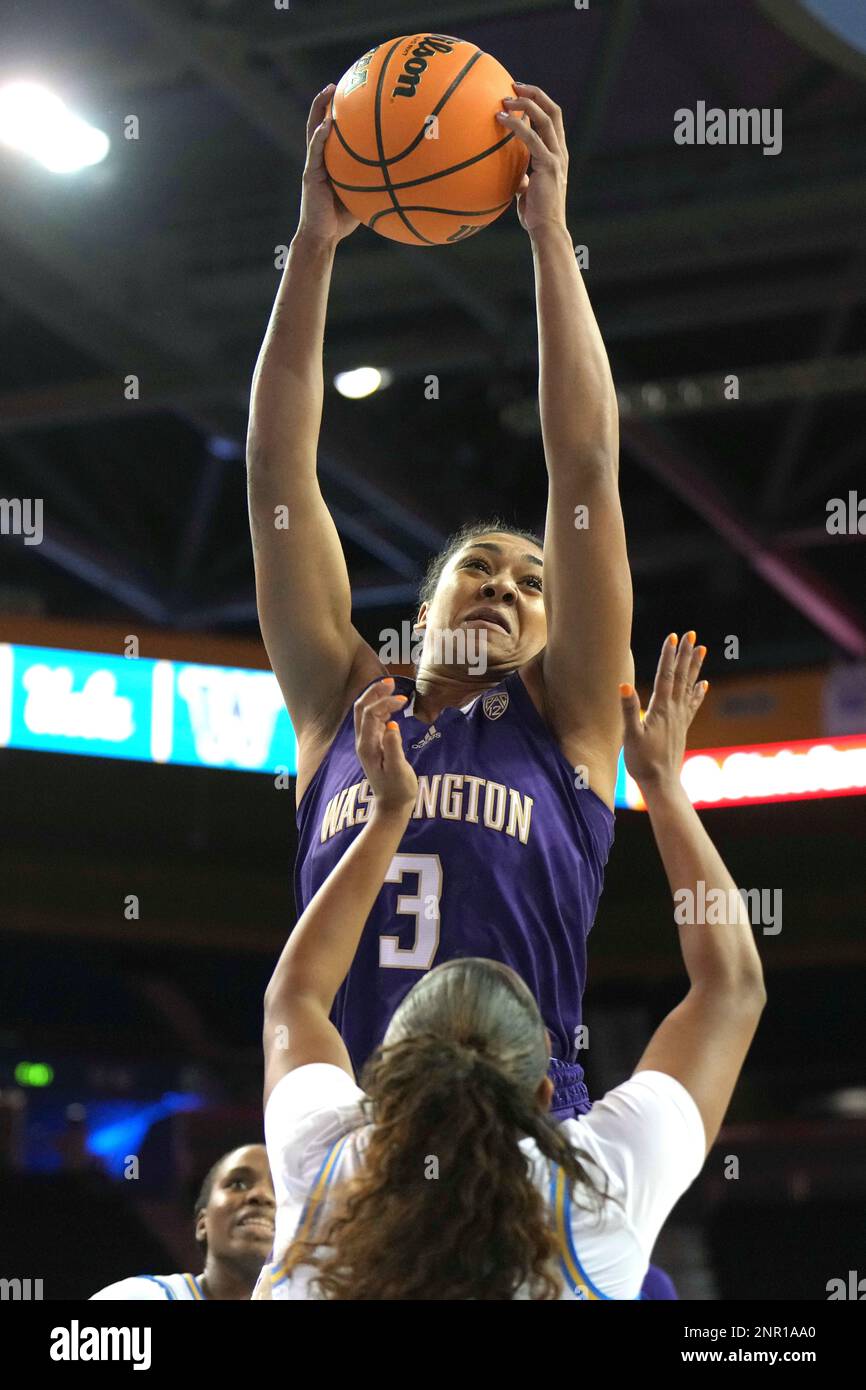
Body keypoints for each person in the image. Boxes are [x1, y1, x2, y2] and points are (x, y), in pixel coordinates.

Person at [247, 79, 632, 1128]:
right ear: (421, 614)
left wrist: (549, 236)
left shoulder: (570, 724)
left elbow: (585, 470)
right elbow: (279, 473)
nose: (507, 583)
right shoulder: (339, 708)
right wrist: (315, 242)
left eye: (531, 581)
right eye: (479, 568)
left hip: (523, 1130)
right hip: (352, 1122)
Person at [253, 636, 766, 1298]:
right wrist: (663, 785)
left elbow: (294, 999)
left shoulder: (322, 1166)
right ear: (544, 1095)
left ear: (380, 1077)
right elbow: (732, 988)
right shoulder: (593, 1200)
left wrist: (388, 814)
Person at [89, 1144, 275, 1300]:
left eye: (279, 1191)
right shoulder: (138, 1295)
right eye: (238, 1184)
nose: (260, 1195)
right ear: (202, 1223)